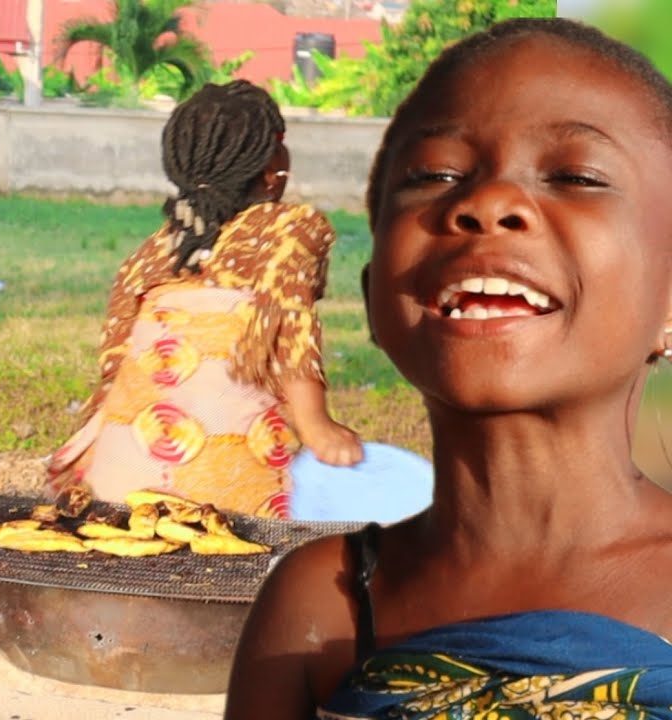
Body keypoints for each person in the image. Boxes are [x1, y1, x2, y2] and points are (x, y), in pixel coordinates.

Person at [224, 17, 672, 718]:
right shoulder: (326, 600)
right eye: (434, 175)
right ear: (374, 294)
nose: (486, 203)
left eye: (576, 175)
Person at [47, 80, 362, 518]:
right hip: (228, 496)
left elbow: (115, 365)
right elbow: (289, 320)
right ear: (272, 169)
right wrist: (316, 426)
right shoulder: (289, 229)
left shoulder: (153, 251)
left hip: (117, 488)